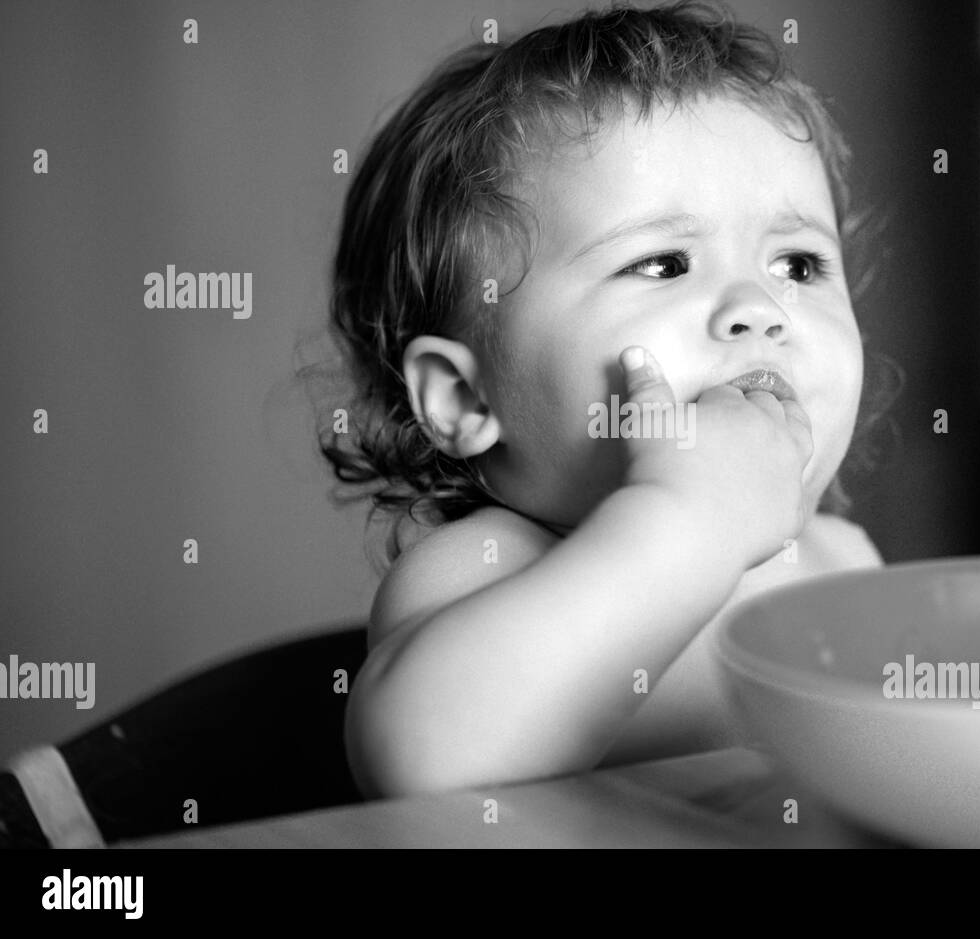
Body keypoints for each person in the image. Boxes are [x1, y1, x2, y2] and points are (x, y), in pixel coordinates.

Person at [319, 1, 891, 798]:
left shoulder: (840, 564)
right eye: (662, 263)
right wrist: (690, 517)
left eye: (798, 265)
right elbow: (426, 756)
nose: (760, 306)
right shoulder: (482, 575)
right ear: (462, 396)